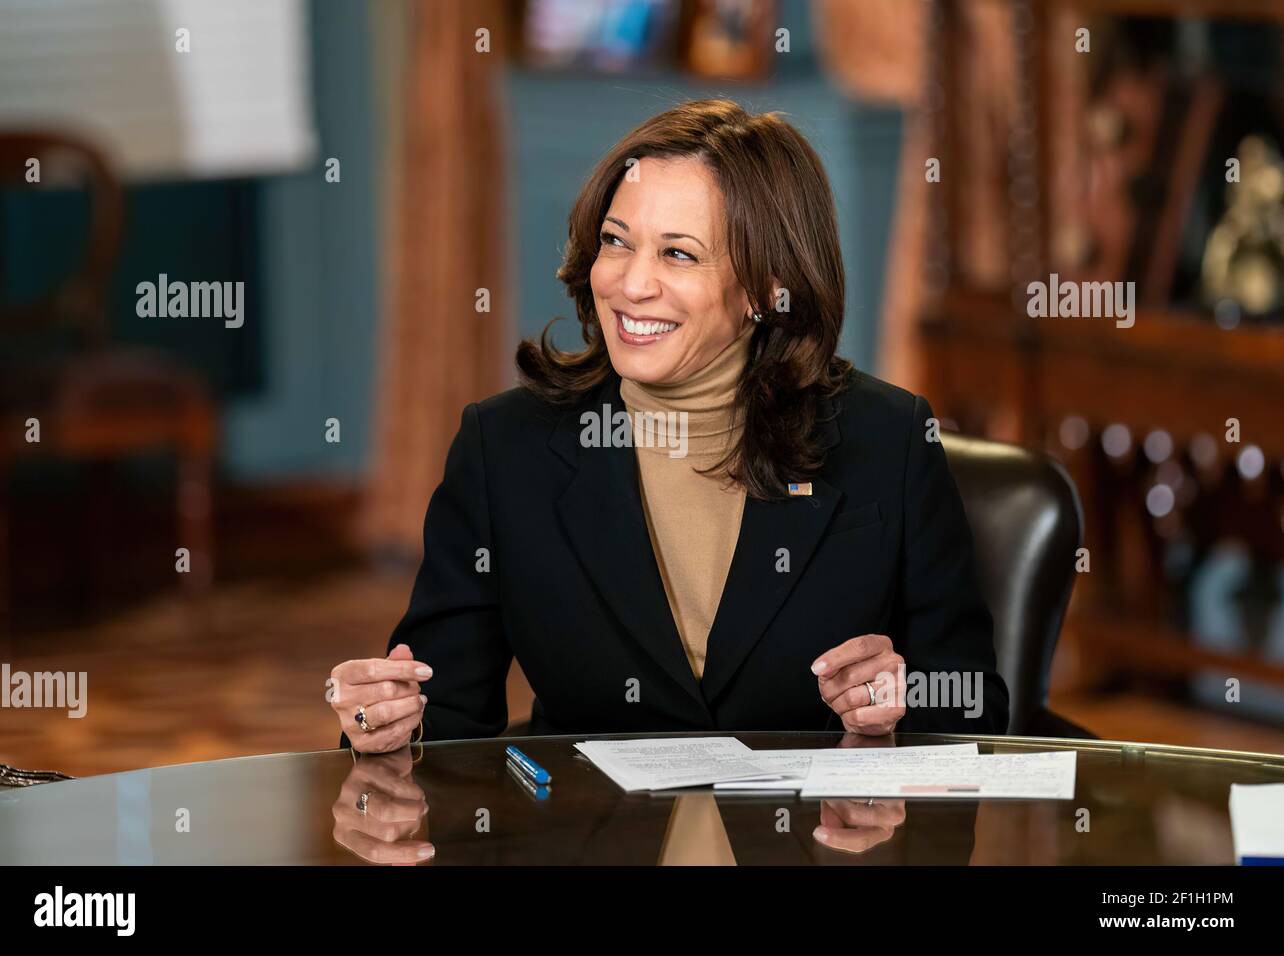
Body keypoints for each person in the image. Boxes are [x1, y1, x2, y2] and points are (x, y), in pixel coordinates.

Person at [330, 99, 1009, 754]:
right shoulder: (505, 448)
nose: (631, 284)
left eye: (678, 254)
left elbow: (976, 702)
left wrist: (903, 699)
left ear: (764, 287)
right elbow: (438, 710)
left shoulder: (886, 439)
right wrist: (383, 725)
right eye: (616, 243)